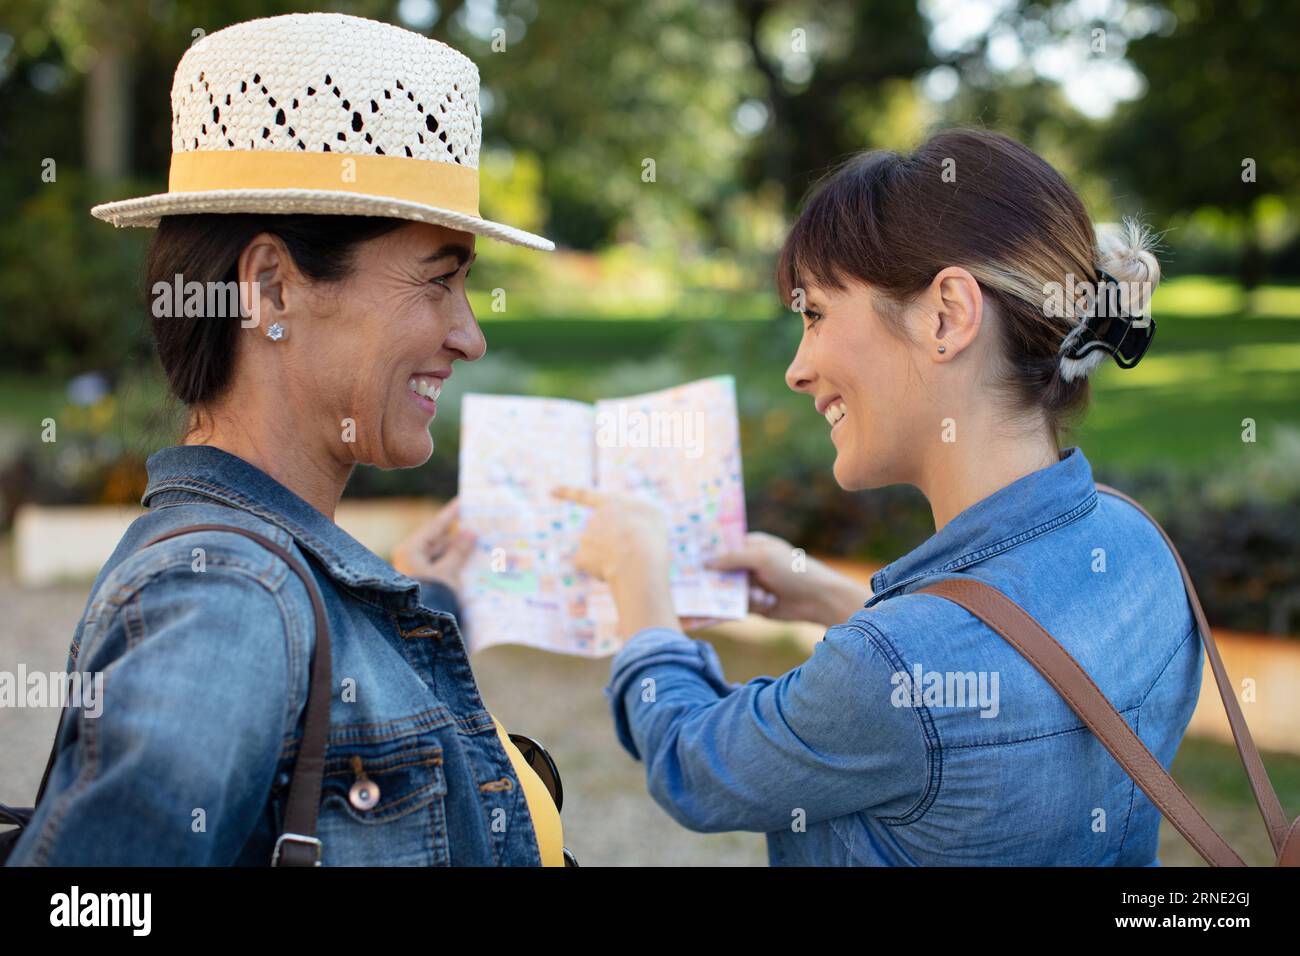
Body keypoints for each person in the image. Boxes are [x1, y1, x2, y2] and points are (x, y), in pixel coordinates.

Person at [8, 12, 564, 866]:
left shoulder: (264, 583)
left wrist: (414, 594)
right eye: (439, 282)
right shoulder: (228, 600)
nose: (468, 334)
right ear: (270, 289)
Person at [560, 128, 1198, 865]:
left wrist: (640, 590)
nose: (798, 369)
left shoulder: (890, 668)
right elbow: (998, 680)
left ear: (947, 315)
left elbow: (698, 764)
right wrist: (827, 596)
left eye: (816, 314)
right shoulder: (1136, 544)